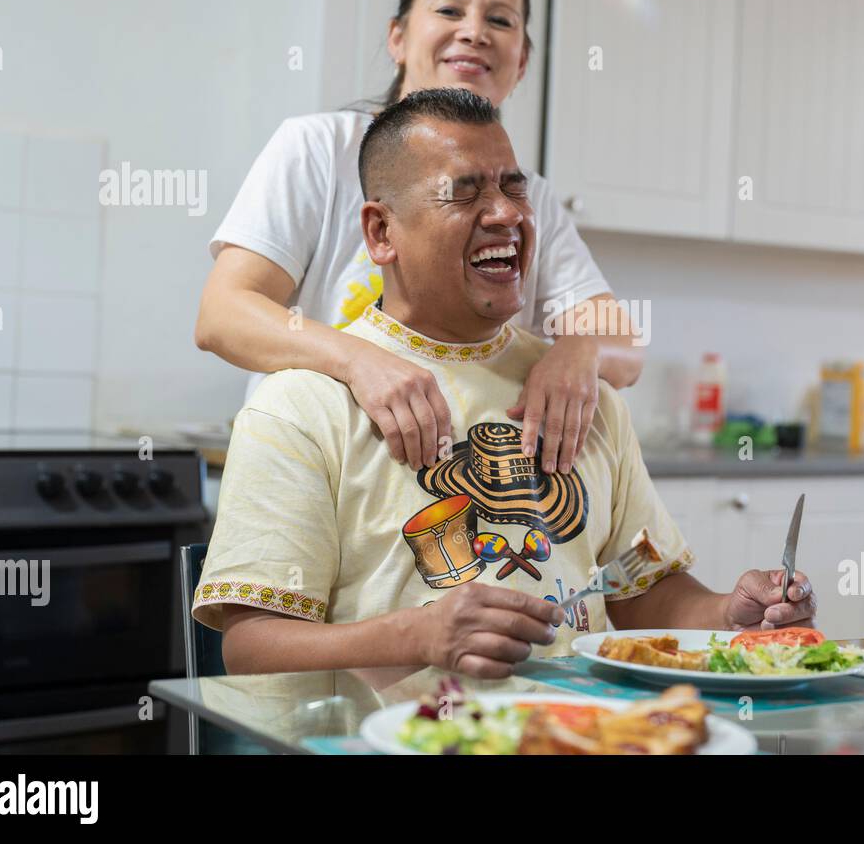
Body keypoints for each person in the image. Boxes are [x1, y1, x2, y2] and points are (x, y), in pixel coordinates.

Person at [193, 89, 816, 678]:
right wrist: (417, 636)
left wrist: (730, 619)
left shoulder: (579, 395)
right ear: (381, 233)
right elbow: (250, 650)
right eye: (464, 194)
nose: (507, 214)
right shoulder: (299, 406)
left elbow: (642, 590)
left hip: (577, 733)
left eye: (514, 189)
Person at [195, 0, 640, 476]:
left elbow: (622, 344)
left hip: (458, 501)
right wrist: (359, 360)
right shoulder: (319, 149)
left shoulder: (532, 200)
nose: (475, 32)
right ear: (399, 38)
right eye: (449, 10)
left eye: (501, 21)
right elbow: (224, 314)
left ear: (522, 61)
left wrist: (579, 351)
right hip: (317, 476)